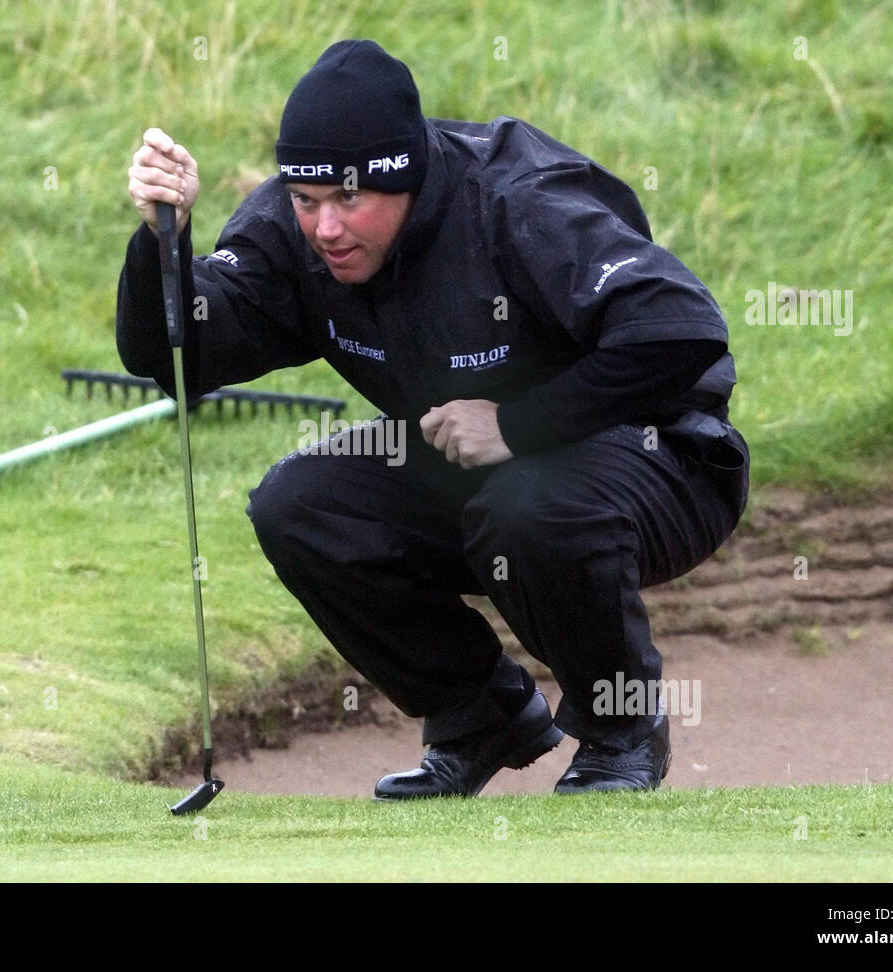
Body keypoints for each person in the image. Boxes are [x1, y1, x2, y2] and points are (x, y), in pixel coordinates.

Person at [117, 39, 749, 799]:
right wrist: (165, 242)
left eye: (351, 200)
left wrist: (517, 426)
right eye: (308, 199)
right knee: (299, 505)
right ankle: (479, 715)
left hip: (661, 457)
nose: (325, 229)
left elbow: (681, 330)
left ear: (408, 178)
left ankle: (621, 730)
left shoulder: (516, 200)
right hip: (485, 465)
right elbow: (177, 359)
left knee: (526, 506)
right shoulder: (297, 236)